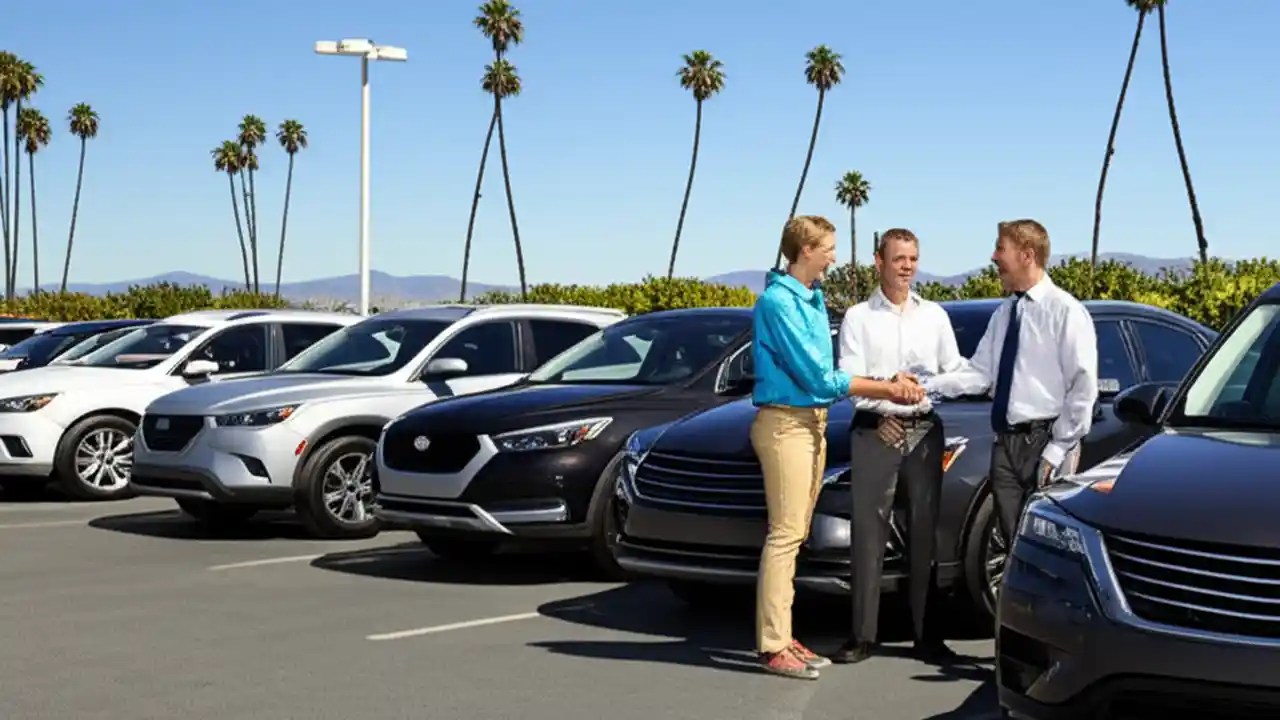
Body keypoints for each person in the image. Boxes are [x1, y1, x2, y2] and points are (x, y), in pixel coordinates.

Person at [751, 215, 925, 680]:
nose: (833, 255)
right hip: (785, 424)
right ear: (805, 250)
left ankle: (785, 637)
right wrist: (887, 389)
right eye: (827, 247)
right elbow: (818, 378)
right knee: (785, 534)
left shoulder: (810, 298)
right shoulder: (778, 303)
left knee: (795, 533)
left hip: (811, 423)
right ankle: (772, 645)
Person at [830, 228, 967, 665]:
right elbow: (851, 381)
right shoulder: (857, 317)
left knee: (926, 534)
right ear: (879, 261)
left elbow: (955, 371)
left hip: (925, 431)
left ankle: (927, 637)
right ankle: (862, 635)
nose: (907, 266)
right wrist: (890, 394)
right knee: (868, 536)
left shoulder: (936, 316)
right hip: (875, 431)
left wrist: (924, 388)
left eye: (913, 258)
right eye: (898, 258)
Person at [925, 219, 1098, 546]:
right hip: (1005, 444)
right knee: (1013, 544)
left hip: (1044, 442)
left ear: (1027, 255)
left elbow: (1082, 386)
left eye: (1000, 248)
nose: (994, 257)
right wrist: (927, 385)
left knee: (1048, 548)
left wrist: (1058, 449)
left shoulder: (1066, 312)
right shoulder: (1005, 313)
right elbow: (980, 375)